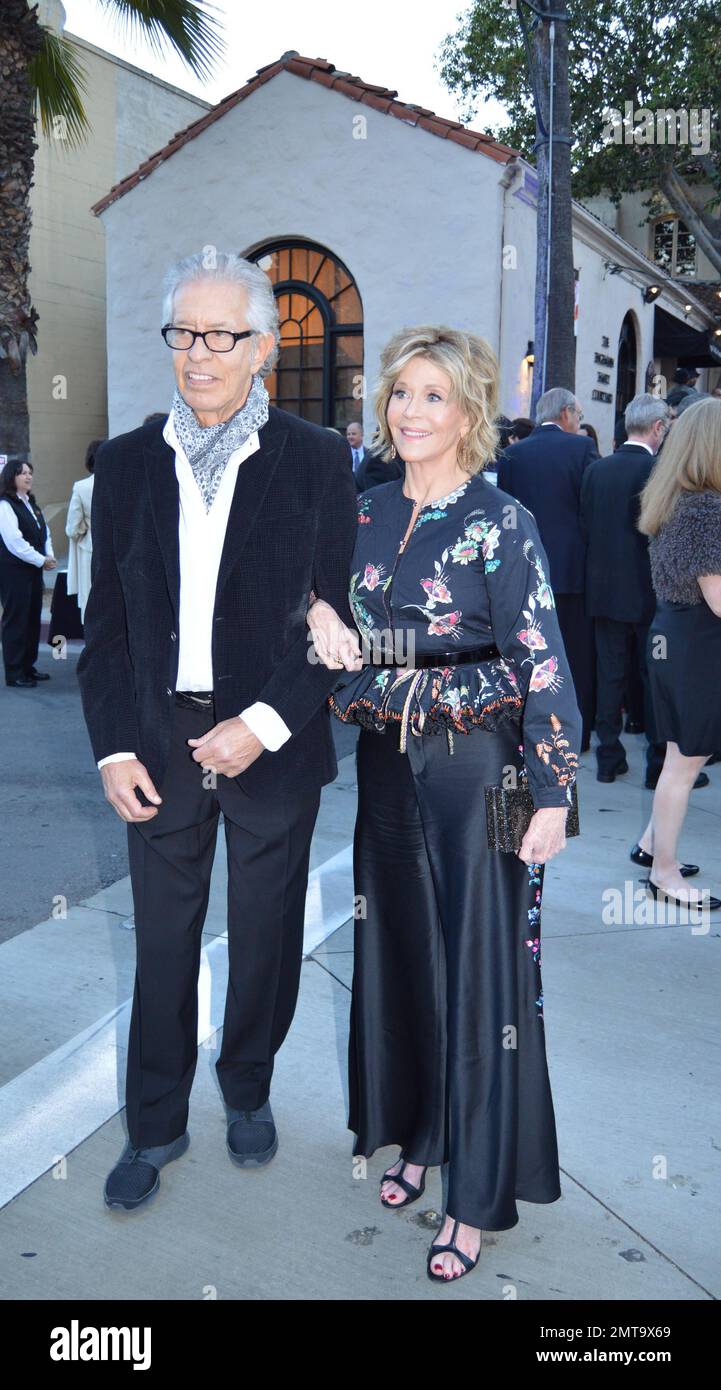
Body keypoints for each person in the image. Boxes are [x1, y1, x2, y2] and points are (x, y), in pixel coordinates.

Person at [76, 251, 358, 1211]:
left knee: (268, 935)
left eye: (221, 335)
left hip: (270, 747)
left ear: (262, 350)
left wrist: (265, 723)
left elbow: (336, 619)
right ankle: (153, 1127)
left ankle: (249, 1090)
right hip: (155, 744)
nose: (198, 354)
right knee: (162, 944)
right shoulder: (121, 463)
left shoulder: (317, 460)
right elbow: (104, 628)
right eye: (183, 334)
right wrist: (113, 746)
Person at [306, 325, 582, 1283]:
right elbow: (359, 631)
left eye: (432, 396)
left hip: (485, 772)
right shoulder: (366, 508)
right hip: (387, 762)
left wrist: (555, 790)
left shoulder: (500, 521)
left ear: (468, 413)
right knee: (402, 957)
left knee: (481, 973)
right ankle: (418, 1133)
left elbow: (539, 658)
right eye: (399, 394)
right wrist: (321, 618)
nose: (410, 412)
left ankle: (472, 1197)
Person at [636, 397, 721, 911]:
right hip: (695, 643)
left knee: (677, 756)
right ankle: (664, 874)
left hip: (672, 634)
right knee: (685, 762)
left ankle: (651, 846)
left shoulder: (674, 499)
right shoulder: (709, 509)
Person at [496, 387, 598, 750]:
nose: (579, 421)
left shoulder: (512, 454)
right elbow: (591, 511)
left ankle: (528, 731)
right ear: (568, 412)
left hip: (523, 570)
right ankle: (577, 736)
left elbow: (505, 516)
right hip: (571, 573)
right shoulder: (582, 448)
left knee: (527, 656)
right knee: (574, 657)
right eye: (579, 414)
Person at [580, 394, 669, 785]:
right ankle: (656, 763)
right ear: (657, 428)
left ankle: (608, 759)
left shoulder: (597, 470)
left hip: (603, 592)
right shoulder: (658, 470)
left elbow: (587, 527)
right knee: (653, 679)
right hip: (648, 594)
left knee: (609, 674)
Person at [0, 460, 57, 687]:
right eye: (22, 473)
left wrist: (49, 556)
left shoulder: (30, 503)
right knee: (17, 620)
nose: (28, 476)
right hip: (14, 572)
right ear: (10, 477)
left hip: (33, 570)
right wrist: (41, 560)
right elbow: (14, 542)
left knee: (32, 618)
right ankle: (14, 673)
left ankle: (28, 667)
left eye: (30, 472)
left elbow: (45, 533)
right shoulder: (5, 505)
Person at [66, 438, 103, 622]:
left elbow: (72, 528)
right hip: (119, 549)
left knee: (91, 603)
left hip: (90, 548)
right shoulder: (122, 483)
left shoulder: (82, 487)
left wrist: (83, 528)